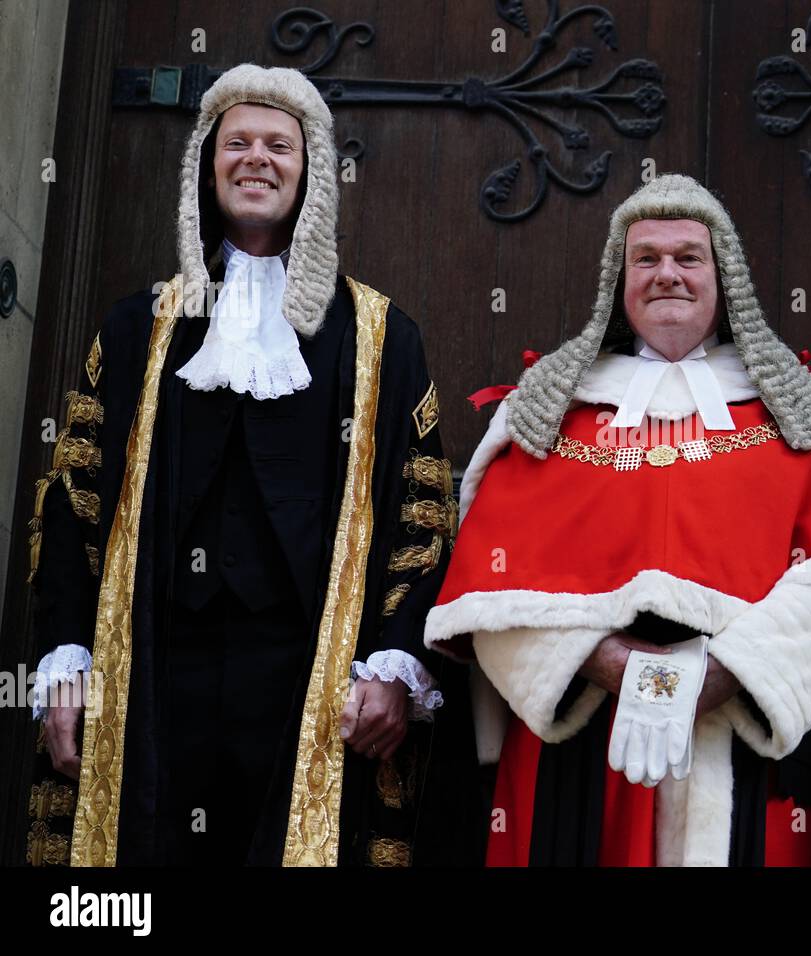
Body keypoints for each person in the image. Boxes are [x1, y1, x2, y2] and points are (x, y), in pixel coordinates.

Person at [24, 63, 479, 867]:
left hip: (310, 680)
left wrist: (395, 660)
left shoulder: (380, 340)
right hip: (156, 676)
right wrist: (66, 661)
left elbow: (423, 513)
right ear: (207, 164)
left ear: (310, 175)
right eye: (237, 142)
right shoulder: (141, 328)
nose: (257, 158)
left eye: (279, 144)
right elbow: (73, 503)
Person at [424, 174, 811, 866]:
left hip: (748, 731)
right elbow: (490, 595)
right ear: (619, 281)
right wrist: (616, 668)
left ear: (722, 277)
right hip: (584, 737)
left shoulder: (798, 420)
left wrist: (723, 675)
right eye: (646, 259)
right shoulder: (547, 419)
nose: (667, 274)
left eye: (687, 257)